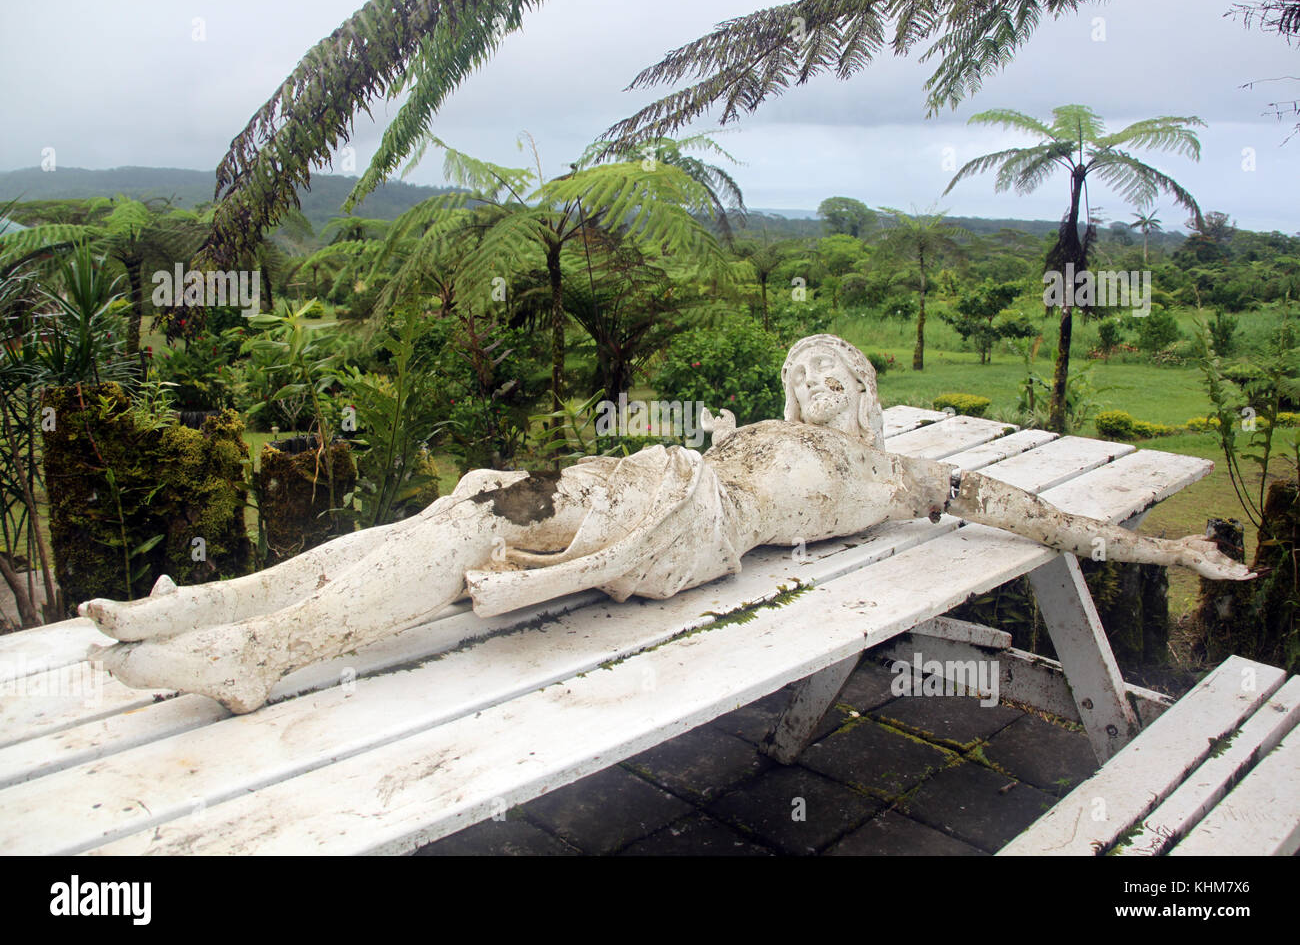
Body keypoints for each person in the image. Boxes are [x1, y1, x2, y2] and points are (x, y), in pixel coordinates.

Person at [83, 334, 1251, 713]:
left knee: (470, 532)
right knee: (465, 505)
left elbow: (1037, 513)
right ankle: (233, 610)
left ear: (866, 396)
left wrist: (1163, 547)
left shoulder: (908, 480)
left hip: (689, 521)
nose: (809, 391)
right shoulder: (791, 434)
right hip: (658, 481)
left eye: (831, 376)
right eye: (798, 376)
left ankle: (261, 651)